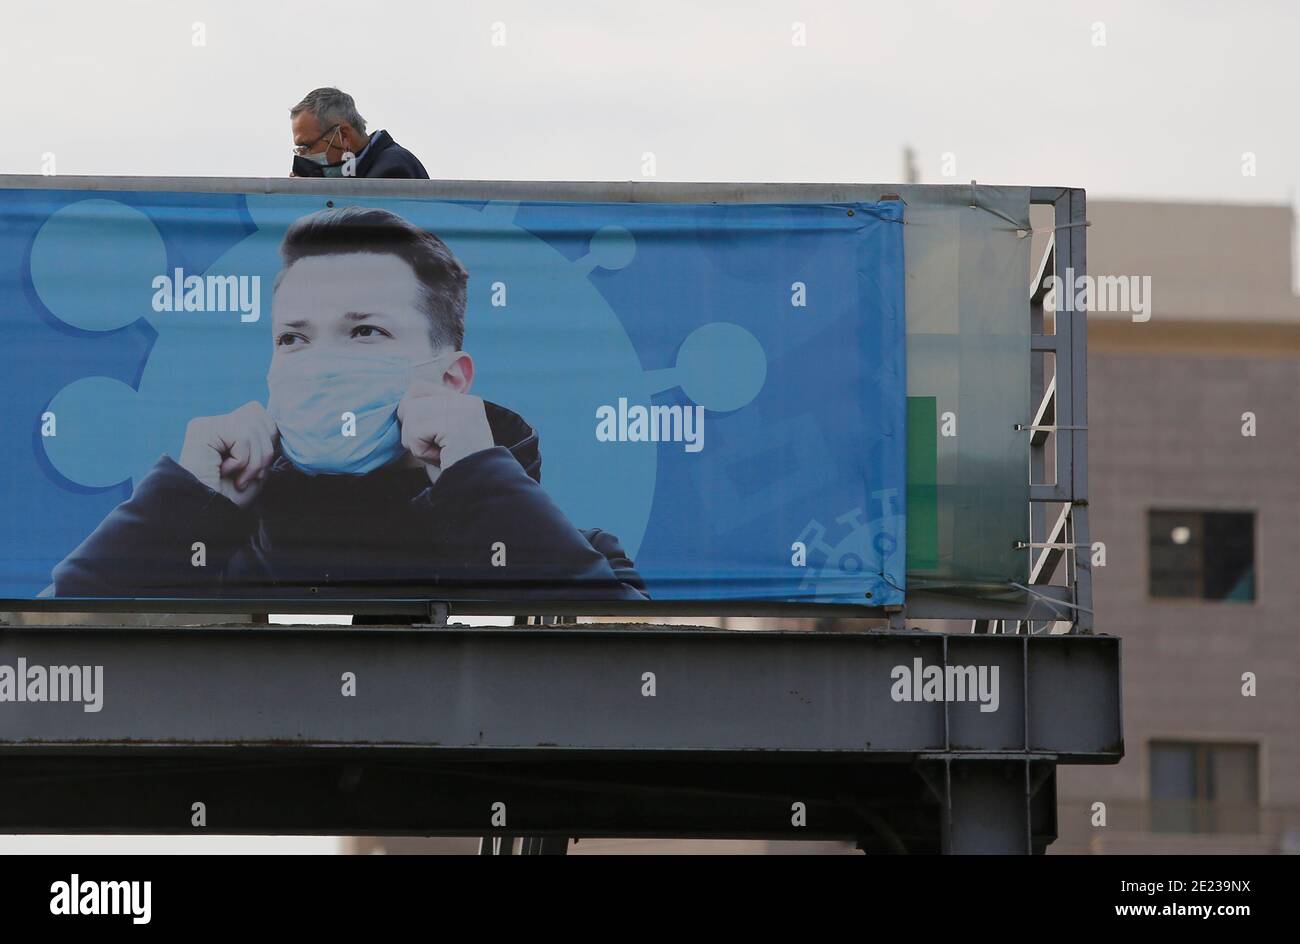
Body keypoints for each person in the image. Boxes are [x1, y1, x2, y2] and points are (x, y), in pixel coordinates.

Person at [52, 207, 647, 605]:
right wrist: (183, 505)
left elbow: (630, 689)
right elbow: (49, 657)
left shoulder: (583, 553)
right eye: (294, 339)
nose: (319, 363)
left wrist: (481, 485)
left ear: (453, 379)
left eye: (364, 332)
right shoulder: (204, 558)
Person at [289, 88, 429, 179]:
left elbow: (356, 221)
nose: (303, 156)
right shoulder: (358, 170)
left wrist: (310, 199)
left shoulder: (393, 170)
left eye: (307, 146)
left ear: (343, 135)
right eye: (300, 149)